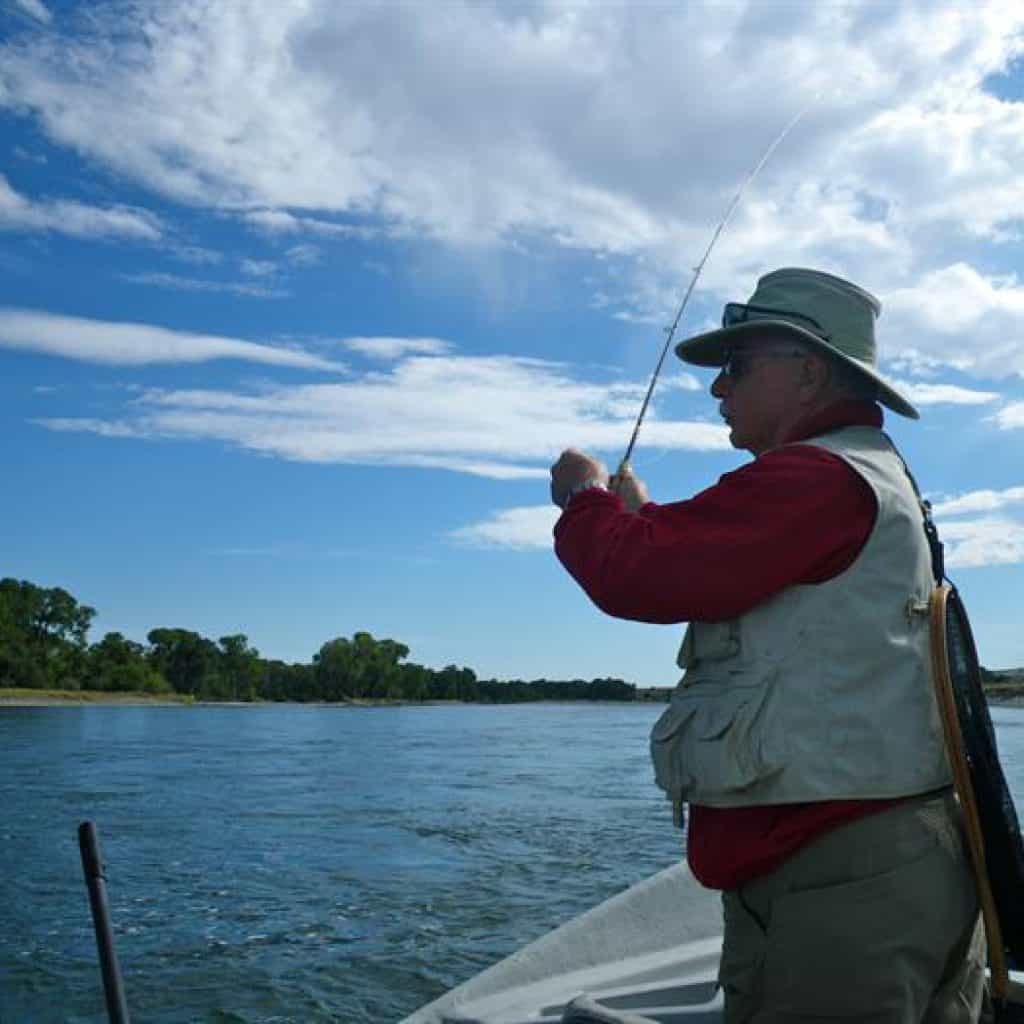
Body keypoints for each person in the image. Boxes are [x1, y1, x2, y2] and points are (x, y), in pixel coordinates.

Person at [549, 268, 986, 1023]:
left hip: (842, 878)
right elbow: (697, 550)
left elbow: (639, 571)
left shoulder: (817, 479)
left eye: (739, 366)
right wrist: (639, 516)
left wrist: (585, 499)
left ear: (810, 371)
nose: (720, 389)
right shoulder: (847, 477)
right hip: (859, 866)